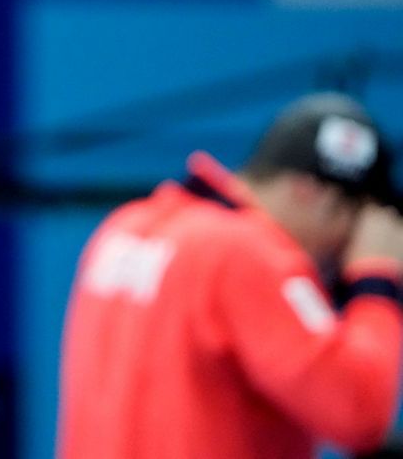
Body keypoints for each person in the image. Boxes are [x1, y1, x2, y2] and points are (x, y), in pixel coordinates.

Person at [57, 92, 403, 459]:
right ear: (311, 193)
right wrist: (375, 278)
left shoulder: (126, 226)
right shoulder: (248, 255)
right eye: (352, 222)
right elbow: (359, 412)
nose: (346, 249)